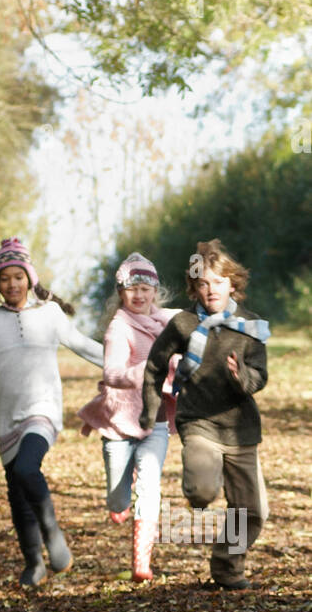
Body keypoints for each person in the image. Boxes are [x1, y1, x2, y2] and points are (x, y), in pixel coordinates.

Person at [0, 236, 103, 586]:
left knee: (27, 468)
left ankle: (54, 535)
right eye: (4, 278)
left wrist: (127, 362)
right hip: (6, 418)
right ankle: (33, 562)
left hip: (43, 410)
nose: (12, 284)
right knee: (16, 491)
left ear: (29, 278)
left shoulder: (49, 314)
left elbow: (84, 346)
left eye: (18, 277)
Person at [141, 239, 270, 590]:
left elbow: (260, 376)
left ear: (233, 283)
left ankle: (227, 568)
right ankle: (198, 493)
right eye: (202, 283)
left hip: (241, 429)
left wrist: (241, 376)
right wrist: (149, 411)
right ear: (194, 288)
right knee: (200, 491)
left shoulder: (251, 326)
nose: (210, 290)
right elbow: (154, 366)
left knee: (253, 512)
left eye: (217, 281)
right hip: (198, 421)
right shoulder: (183, 325)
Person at [78, 252, 180, 582]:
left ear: (155, 291)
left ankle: (141, 563)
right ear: (121, 293)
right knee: (117, 496)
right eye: (131, 289)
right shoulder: (118, 327)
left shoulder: (167, 323)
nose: (139, 295)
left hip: (156, 419)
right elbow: (113, 372)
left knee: (150, 484)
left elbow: (193, 332)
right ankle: (120, 499)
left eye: (145, 288)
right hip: (119, 421)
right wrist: (147, 370)